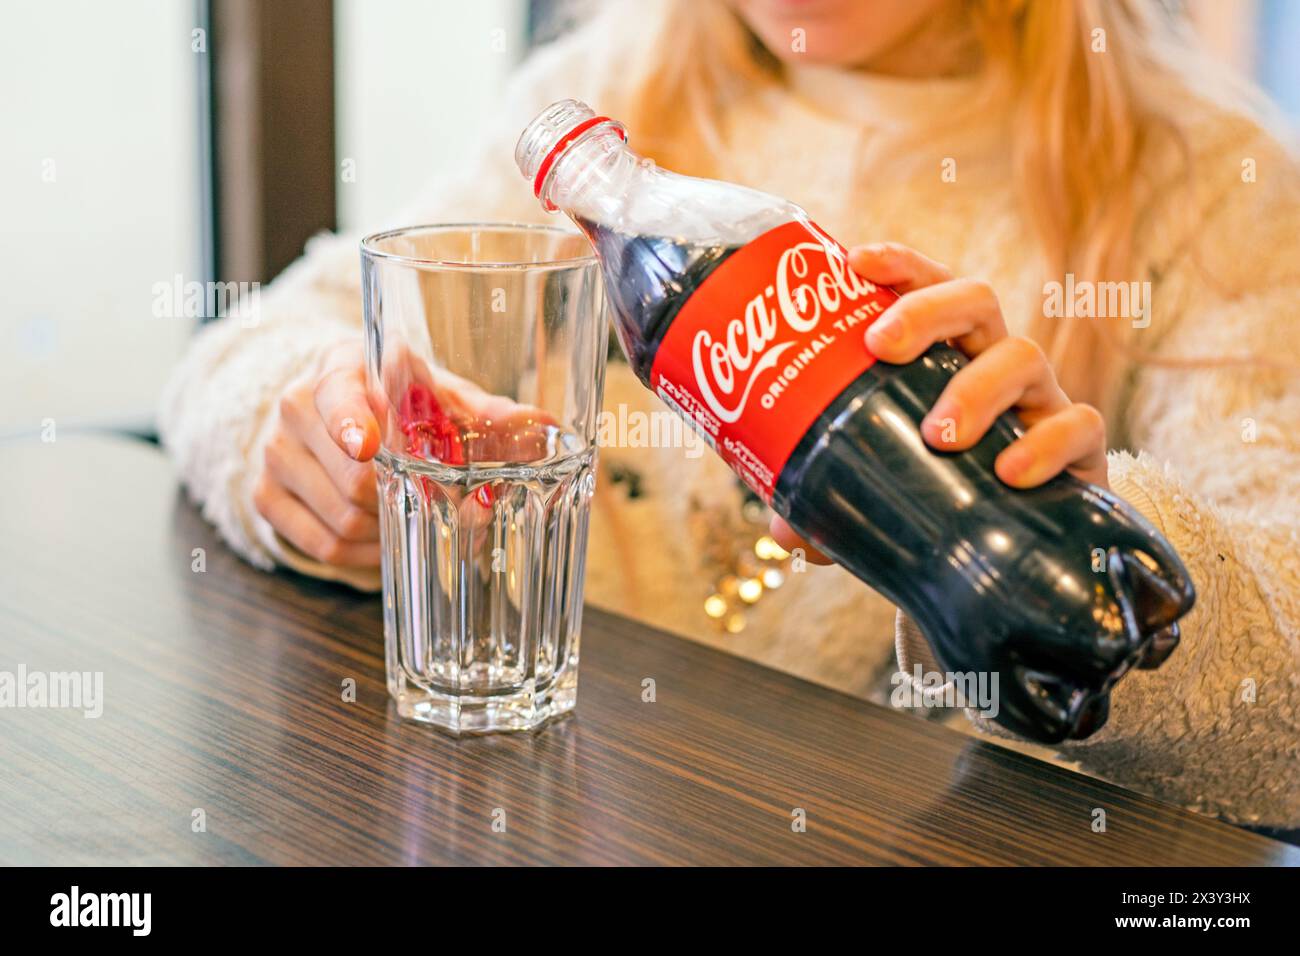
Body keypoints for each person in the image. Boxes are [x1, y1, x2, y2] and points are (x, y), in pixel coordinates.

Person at [161, 0, 1300, 830]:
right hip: (543, 809)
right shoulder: (617, 98)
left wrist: (1078, 538)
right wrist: (299, 435)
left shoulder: (1202, 179)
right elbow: (263, 339)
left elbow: (1282, 723)